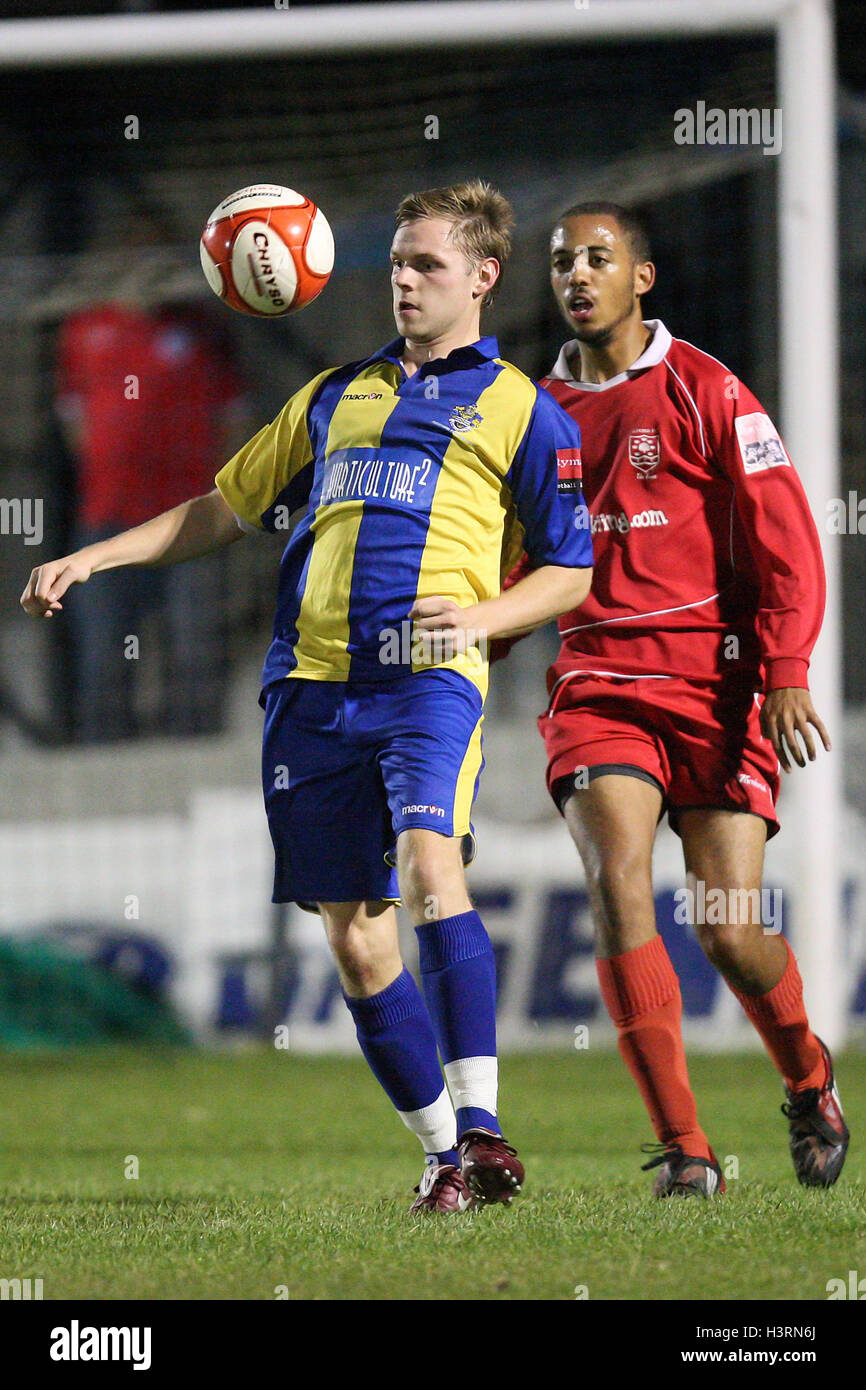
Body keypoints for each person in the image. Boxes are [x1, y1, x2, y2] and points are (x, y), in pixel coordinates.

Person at [22, 180, 594, 1215]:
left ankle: (483, 1125)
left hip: (426, 676)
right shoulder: (335, 393)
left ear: (482, 276)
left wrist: (485, 618)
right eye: (397, 264)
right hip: (309, 689)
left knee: (429, 865)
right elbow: (222, 507)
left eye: (426, 264)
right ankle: (440, 1159)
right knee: (355, 938)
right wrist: (95, 556)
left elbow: (571, 567)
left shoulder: (524, 410)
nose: (405, 281)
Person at [497, 200, 848, 1197]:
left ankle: (806, 1079)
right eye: (561, 261)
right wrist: (468, 634)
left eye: (596, 259)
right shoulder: (532, 415)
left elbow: (786, 537)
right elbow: (519, 557)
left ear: (638, 278)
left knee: (727, 924)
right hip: (599, 683)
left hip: (717, 681)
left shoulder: (706, 389)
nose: (575, 275)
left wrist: (781, 666)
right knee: (615, 878)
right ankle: (685, 1150)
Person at [55, 289, 247, 740]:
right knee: (104, 648)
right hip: (107, 519)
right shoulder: (84, 326)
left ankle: (193, 752)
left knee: (194, 645)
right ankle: (103, 759)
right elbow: (73, 421)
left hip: (189, 521)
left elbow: (233, 420)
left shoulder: (204, 331)